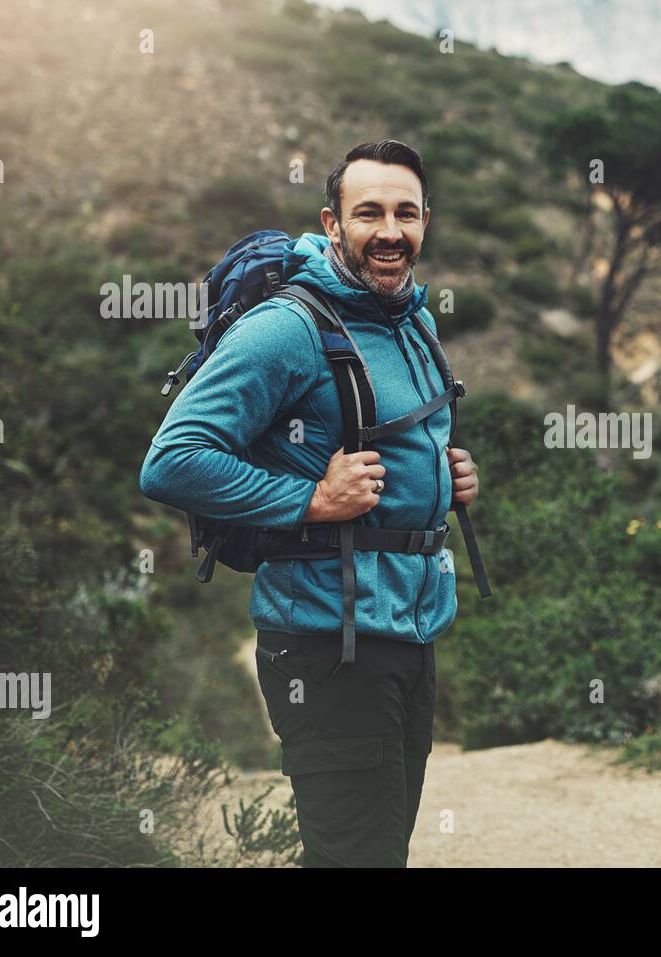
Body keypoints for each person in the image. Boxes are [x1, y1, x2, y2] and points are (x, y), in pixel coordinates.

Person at [140, 139, 478, 867]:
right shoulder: (287, 328)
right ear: (332, 223)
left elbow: (387, 441)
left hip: (410, 633)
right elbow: (171, 461)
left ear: (426, 221)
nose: (391, 230)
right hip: (326, 644)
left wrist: (448, 479)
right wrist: (311, 500)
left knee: (376, 848)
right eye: (369, 213)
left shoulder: (412, 319)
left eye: (406, 213)